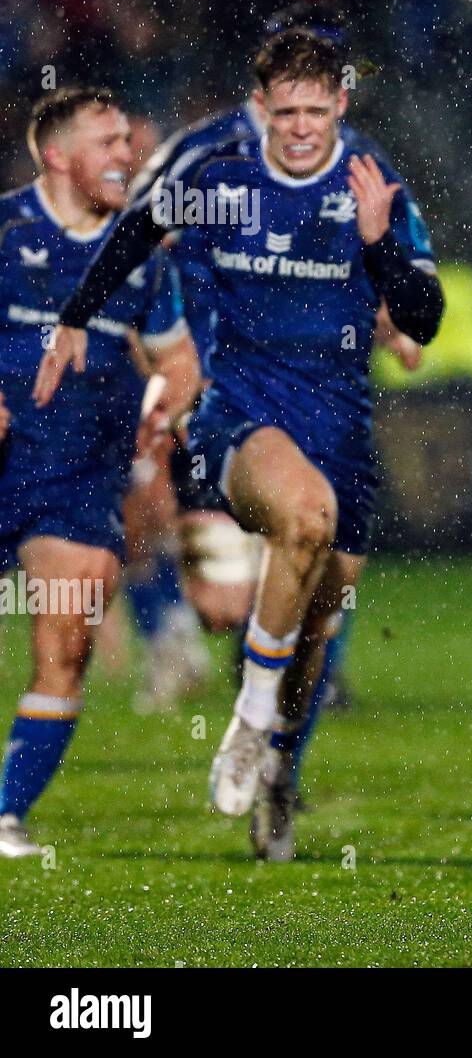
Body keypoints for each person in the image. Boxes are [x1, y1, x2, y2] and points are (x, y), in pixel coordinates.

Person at [33, 32, 444, 860]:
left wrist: (380, 246)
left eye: (315, 113)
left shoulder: (372, 180)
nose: (299, 129)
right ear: (259, 106)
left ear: (342, 106)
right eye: (283, 112)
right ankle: (249, 716)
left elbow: (424, 317)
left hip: (340, 420)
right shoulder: (214, 168)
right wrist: (78, 317)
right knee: (302, 516)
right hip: (236, 406)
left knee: (318, 631)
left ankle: (278, 767)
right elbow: (132, 236)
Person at [0, 87, 198, 857]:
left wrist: (167, 405)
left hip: (79, 478)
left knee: (66, 647)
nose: (127, 154)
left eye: (128, 141)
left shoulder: (139, 254)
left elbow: (177, 359)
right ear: (57, 155)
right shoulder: (7, 230)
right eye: (109, 142)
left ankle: (6, 814)